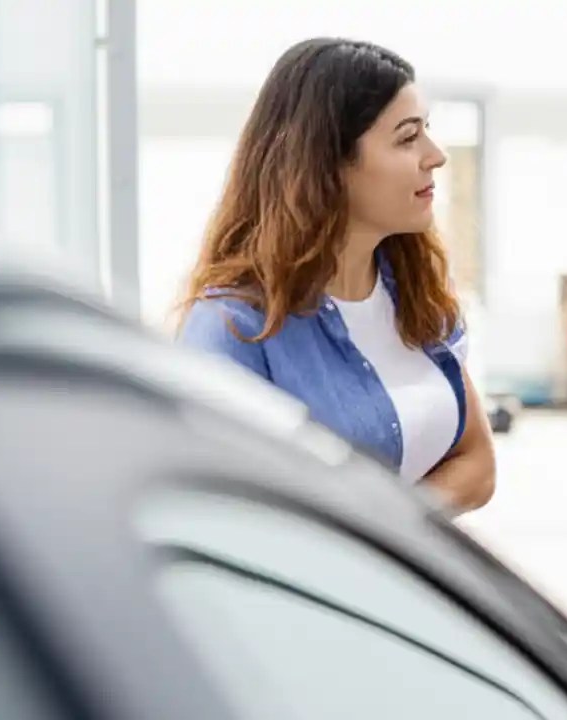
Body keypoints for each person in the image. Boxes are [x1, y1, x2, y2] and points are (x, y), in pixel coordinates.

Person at [176, 38, 495, 516]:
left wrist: (392, 531)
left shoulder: (416, 288)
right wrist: (394, 533)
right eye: (407, 137)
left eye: (426, 130)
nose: (436, 155)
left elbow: (478, 464)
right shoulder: (231, 329)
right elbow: (226, 516)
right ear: (328, 164)